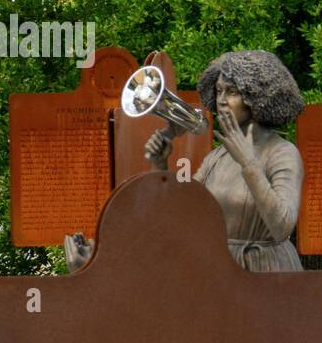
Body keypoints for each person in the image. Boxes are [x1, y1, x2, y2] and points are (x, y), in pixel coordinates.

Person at [67, 50, 305, 272]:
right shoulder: (217, 157)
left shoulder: (282, 153)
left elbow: (282, 226)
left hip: (268, 273)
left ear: (258, 97)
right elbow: (183, 214)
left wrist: (248, 164)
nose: (221, 100)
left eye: (232, 92)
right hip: (222, 272)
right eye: (219, 90)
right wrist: (160, 165)